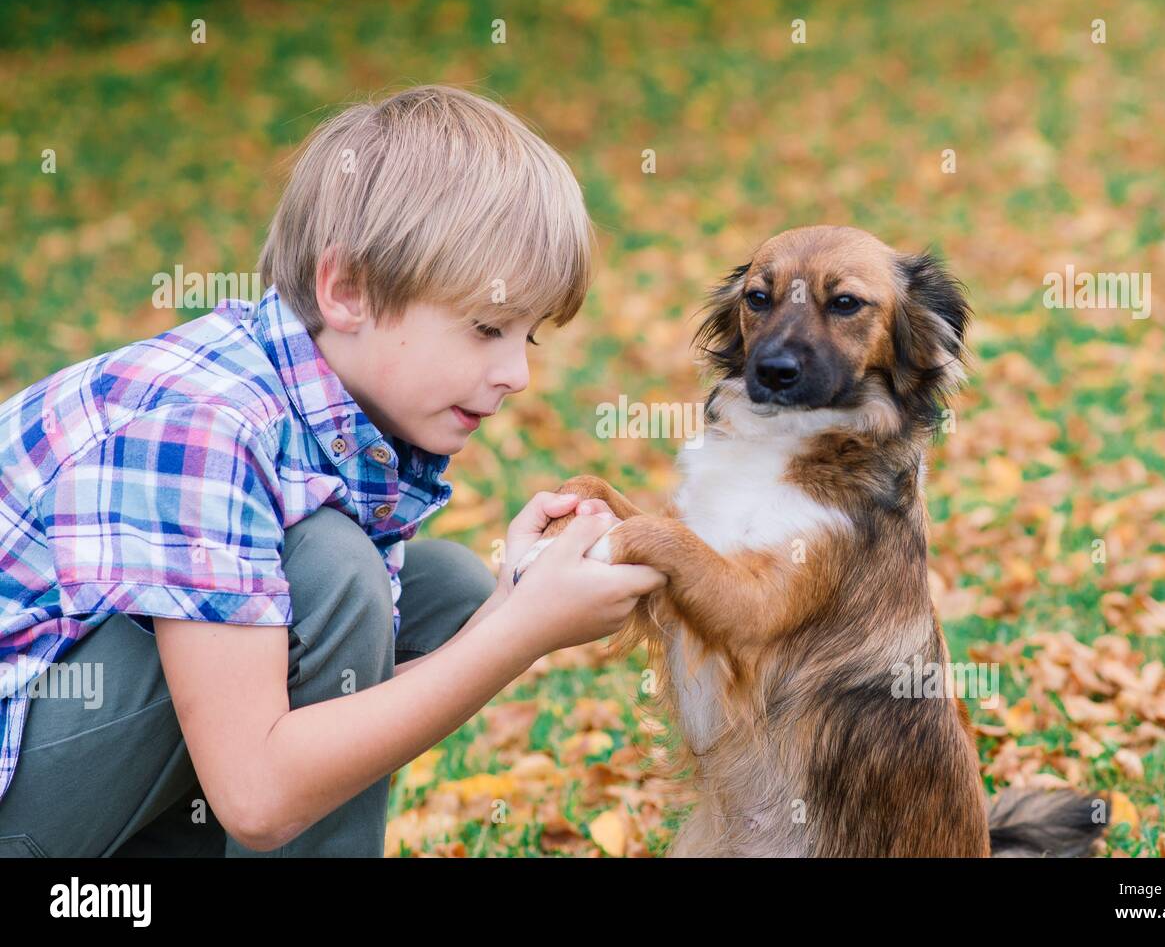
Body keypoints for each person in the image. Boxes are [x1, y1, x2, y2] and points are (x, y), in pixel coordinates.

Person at [0, 84, 666, 857]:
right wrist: (520, 632)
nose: (516, 373)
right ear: (345, 289)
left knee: (446, 589)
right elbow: (255, 795)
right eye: (487, 328)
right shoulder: (205, 422)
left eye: (529, 338)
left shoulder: (313, 404)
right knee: (330, 570)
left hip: (72, 774)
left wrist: (518, 604)